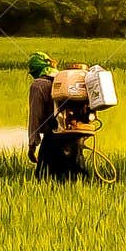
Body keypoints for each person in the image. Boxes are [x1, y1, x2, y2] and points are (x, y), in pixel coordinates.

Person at [26, 51, 83, 181]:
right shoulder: (65, 81)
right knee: (74, 179)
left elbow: (35, 116)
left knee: (45, 178)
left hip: (53, 138)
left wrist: (32, 145)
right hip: (74, 137)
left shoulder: (38, 85)